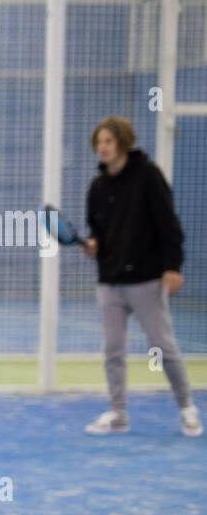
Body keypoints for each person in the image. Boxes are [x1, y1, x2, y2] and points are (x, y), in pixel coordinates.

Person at [81, 116, 200, 437]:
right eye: (99, 142)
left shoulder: (148, 176)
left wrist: (173, 267)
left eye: (107, 141)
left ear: (123, 141)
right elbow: (98, 230)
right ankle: (118, 414)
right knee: (113, 352)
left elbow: (168, 224)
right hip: (110, 281)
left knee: (163, 348)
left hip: (147, 280)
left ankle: (187, 407)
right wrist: (94, 244)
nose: (102, 147)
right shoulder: (98, 185)